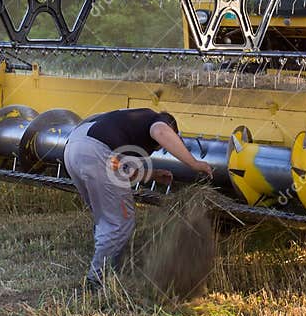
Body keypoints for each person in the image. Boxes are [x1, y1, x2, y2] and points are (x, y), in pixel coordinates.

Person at [63, 108, 213, 287]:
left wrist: (152, 175)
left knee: (105, 216)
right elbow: (160, 131)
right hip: (97, 152)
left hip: (73, 147)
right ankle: (97, 280)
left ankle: (109, 265)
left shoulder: (127, 124)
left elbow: (120, 170)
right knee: (119, 221)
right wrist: (194, 163)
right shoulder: (155, 120)